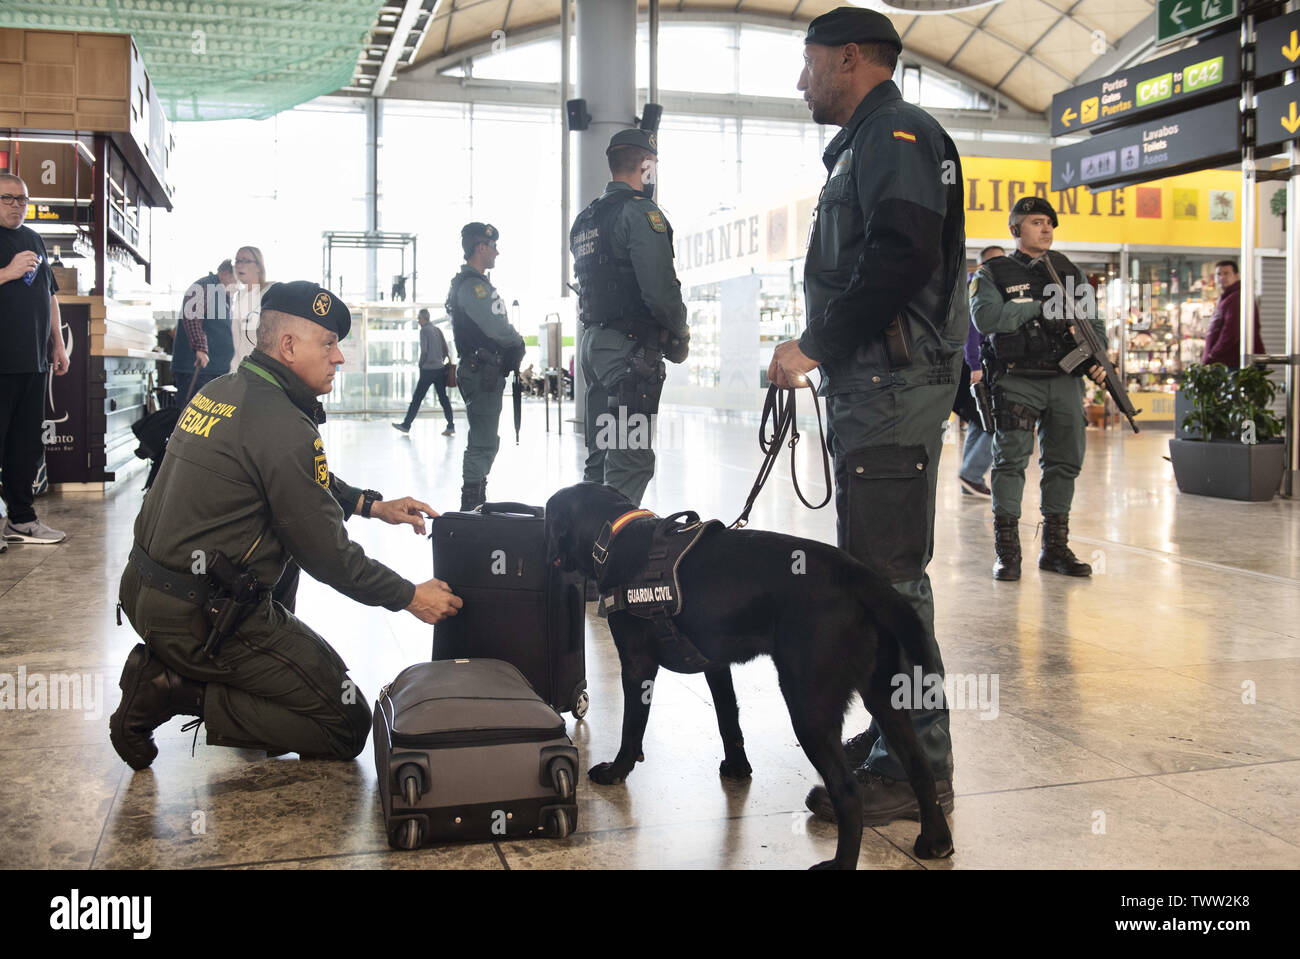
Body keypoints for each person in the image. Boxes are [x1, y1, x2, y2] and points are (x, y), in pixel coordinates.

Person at [110, 281, 462, 770]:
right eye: (328, 343)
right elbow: (329, 556)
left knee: (285, 549)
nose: (339, 357)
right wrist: (409, 595)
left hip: (147, 590)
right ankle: (173, 689)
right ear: (289, 346)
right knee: (345, 722)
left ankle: (234, 676)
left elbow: (296, 478)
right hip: (196, 616)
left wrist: (369, 504)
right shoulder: (282, 423)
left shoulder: (227, 390)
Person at [768, 8, 965, 826]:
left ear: (851, 58)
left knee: (891, 583)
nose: (801, 80)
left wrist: (814, 343)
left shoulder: (899, 137)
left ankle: (922, 759)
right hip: (873, 388)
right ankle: (893, 735)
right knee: (874, 575)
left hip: (891, 386)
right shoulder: (869, 144)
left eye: (809, 63)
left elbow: (901, 254)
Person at [970, 195, 1107, 581]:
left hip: (1064, 380)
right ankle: (1008, 552)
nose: (1045, 228)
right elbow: (986, 318)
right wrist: (1041, 306)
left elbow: (1092, 322)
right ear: (1015, 230)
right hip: (1017, 379)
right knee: (1011, 461)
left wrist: (1100, 361)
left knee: (1065, 462)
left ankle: (1055, 548)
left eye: (1049, 222)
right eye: (1035, 222)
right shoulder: (992, 273)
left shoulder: (1069, 271)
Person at [570, 128, 689, 506]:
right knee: (629, 464)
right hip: (629, 356)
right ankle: (610, 556)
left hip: (594, 347)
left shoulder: (585, 220)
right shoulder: (641, 214)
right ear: (647, 166)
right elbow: (660, 291)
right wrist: (680, 333)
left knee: (601, 458)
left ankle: (582, 554)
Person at [0, 172, 69, 546]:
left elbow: (49, 294)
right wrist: (8, 273)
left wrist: (57, 343)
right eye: (8, 198)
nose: (16, 206)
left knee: (25, 445)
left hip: (33, 360)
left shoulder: (33, 238)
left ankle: (21, 520)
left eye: (22, 200)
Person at [446, 223, 525, 510]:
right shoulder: (475, 287)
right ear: (481, 247)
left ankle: (476, 501)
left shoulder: (468, 284)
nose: (497, 252)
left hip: (483, 371)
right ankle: (471, 507)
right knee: (482, 443)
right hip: (483, 372)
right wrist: (517, 342)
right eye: (493, 247)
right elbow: (497, 327)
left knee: (485, 441)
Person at [957, 245, 1005, 497]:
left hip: (972, 363)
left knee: (980, 420)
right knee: (994, 420)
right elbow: (972, 328)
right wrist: (974, 364)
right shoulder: (979, 285)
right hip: (975, 365)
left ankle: (969, 476)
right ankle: (972, 474)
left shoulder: (972, 284)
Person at [172, 260, 236, 393]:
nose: (237, 286)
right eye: (237, 280)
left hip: (213, 370)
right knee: (193, 411)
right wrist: (200, 349)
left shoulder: (222, 294)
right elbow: (192, 316)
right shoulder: (206, 286)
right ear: (226, 274)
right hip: (198, 369)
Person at [392, 308, 455, 436]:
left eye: (419, 318)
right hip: (440, 369)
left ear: (424, 318)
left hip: (428, 370)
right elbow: (445, 350)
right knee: (443, 398)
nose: (418, 321)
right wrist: (439, 361)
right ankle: (451, 425)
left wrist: (421, 364)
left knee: (417, 398)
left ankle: (406, 425)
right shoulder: (436, 330)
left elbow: (424, 351)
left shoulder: (424, 330)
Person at [1201, 260, 1266, 368]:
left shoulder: (1238, 298)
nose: (1222, 277)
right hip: (1229, 361)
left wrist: (1213, 354)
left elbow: (1231, 332)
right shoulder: (1227, 298)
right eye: (1219, 274)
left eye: (1226, 273)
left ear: (1236, 276)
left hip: (1236, 362)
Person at [230, 245, 267, 367]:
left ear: (258, 266)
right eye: (238, 261)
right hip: (241, 369)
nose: (240, 265)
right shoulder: (239, 296)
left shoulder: (268, 293)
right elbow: (238, 342)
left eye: (246, 261)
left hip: (262, 369)